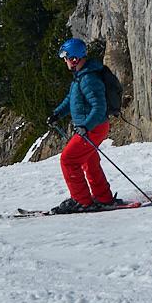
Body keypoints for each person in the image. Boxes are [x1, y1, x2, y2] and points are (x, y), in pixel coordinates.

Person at [46, 38, 121, 214]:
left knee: (68, 160)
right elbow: (71, 99)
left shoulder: (88, 79)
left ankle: (82, 201)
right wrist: (57, 113)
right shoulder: (81, 76)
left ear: (74, 59)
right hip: (92, 127)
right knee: (89, 162)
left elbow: (99, 107)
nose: (64, 61)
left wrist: (86, 126)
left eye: (66, 58)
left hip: (93, 128)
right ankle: (103, 198)